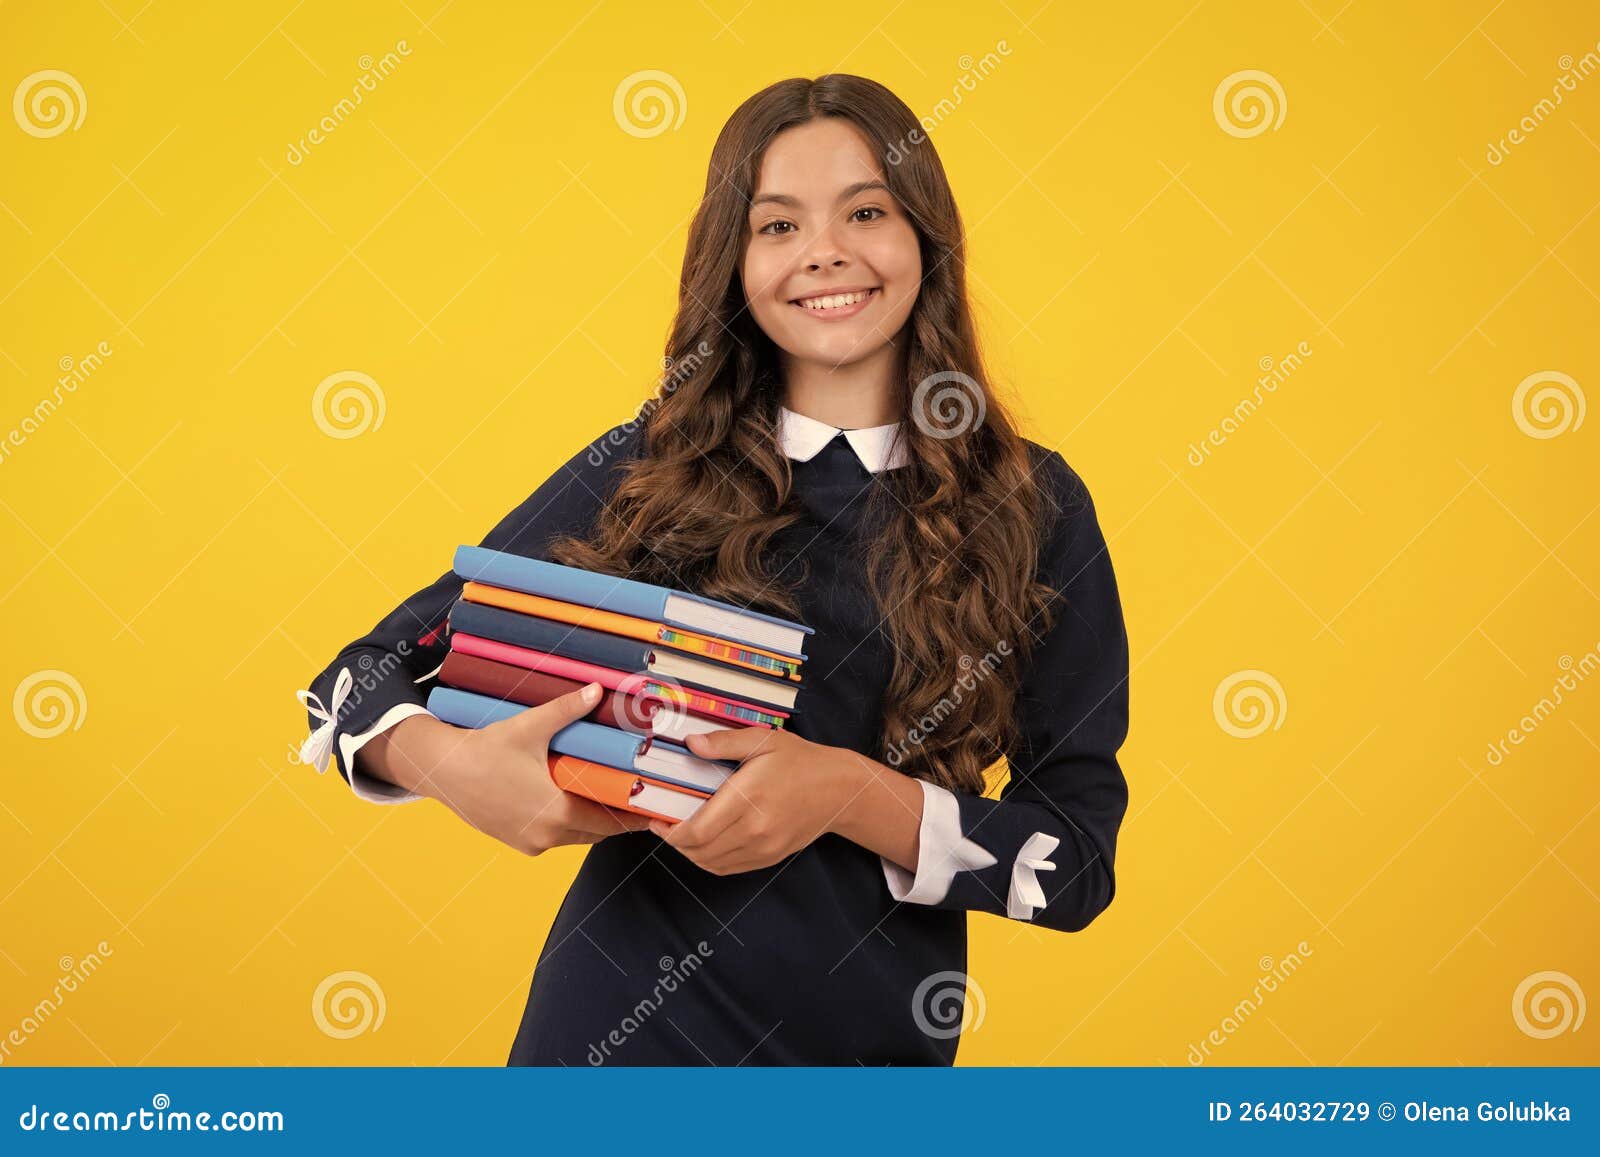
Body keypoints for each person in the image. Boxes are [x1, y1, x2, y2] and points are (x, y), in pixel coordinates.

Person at [295, 73, 1130, 1065]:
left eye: (865, 210)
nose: (825, 249)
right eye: (776, 226)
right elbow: (355, 677)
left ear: (925, 239)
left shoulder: (1035, 504)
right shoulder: (651, 465)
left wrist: (847, 792)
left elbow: (1071, 866)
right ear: (730, 265)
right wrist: (452, 766)